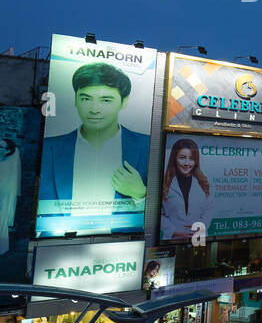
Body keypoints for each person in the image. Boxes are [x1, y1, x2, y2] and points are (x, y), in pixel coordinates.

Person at [39, 61, 150, 228]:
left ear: (124, 102)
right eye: (86, 98)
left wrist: (141, 195)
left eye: (106, 100)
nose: (95, 109)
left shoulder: (147, 145)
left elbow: (169, 214)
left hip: (123, 242)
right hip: (59, 242)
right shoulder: (50, 148)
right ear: (75, 99)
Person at [160, 138, 214, 241]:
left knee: (200, 256)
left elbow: (209, 209)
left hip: (199, 238)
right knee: (174, 257)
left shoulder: (203, 182)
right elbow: (159, 214)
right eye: (182, 158)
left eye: (191, 159)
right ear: (174, 159)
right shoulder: (164, 183)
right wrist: (174, 231)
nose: (187, 163)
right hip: (173, 238)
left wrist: (200, 226)